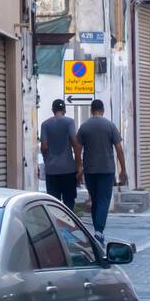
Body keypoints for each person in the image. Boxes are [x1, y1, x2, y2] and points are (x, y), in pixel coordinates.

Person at [76, 99, 128, 244]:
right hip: (107, 170)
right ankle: (99, 231)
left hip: (90, 170)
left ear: (92, 110)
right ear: (103, 110)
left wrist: (79, 169)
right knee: (103, 200)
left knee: (95, 199)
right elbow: (119, 150)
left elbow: (78, 149)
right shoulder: (110, 126)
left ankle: (97, 232)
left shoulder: (84, 127)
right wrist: (123, 169)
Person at [39, 99, 82, 210]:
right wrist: (79, 166)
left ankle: (57, 225)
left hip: (52, 171)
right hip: (68, 170)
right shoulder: (69, 122)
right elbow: (76, 145)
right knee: (69, 201)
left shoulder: (45, 124)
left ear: (53, 110)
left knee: (53, 203)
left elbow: (43, 147)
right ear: (64, 110)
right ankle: (67, 225)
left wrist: (46, 160)